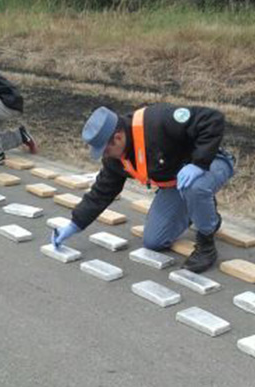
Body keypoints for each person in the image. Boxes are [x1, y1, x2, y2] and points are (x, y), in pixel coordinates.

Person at [52, 104, 235, 273]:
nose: (105, 156)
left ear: (118, 138)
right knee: (154, 241)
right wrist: (75, 224)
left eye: (105, 150)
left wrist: (199, 163)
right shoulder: (115, 159)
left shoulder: (158, 121)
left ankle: (206, 246)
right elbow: (101, 192)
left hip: (210, 164)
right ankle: (204, 210)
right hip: (177, 183)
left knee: (196, 188)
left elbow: (212, 118)